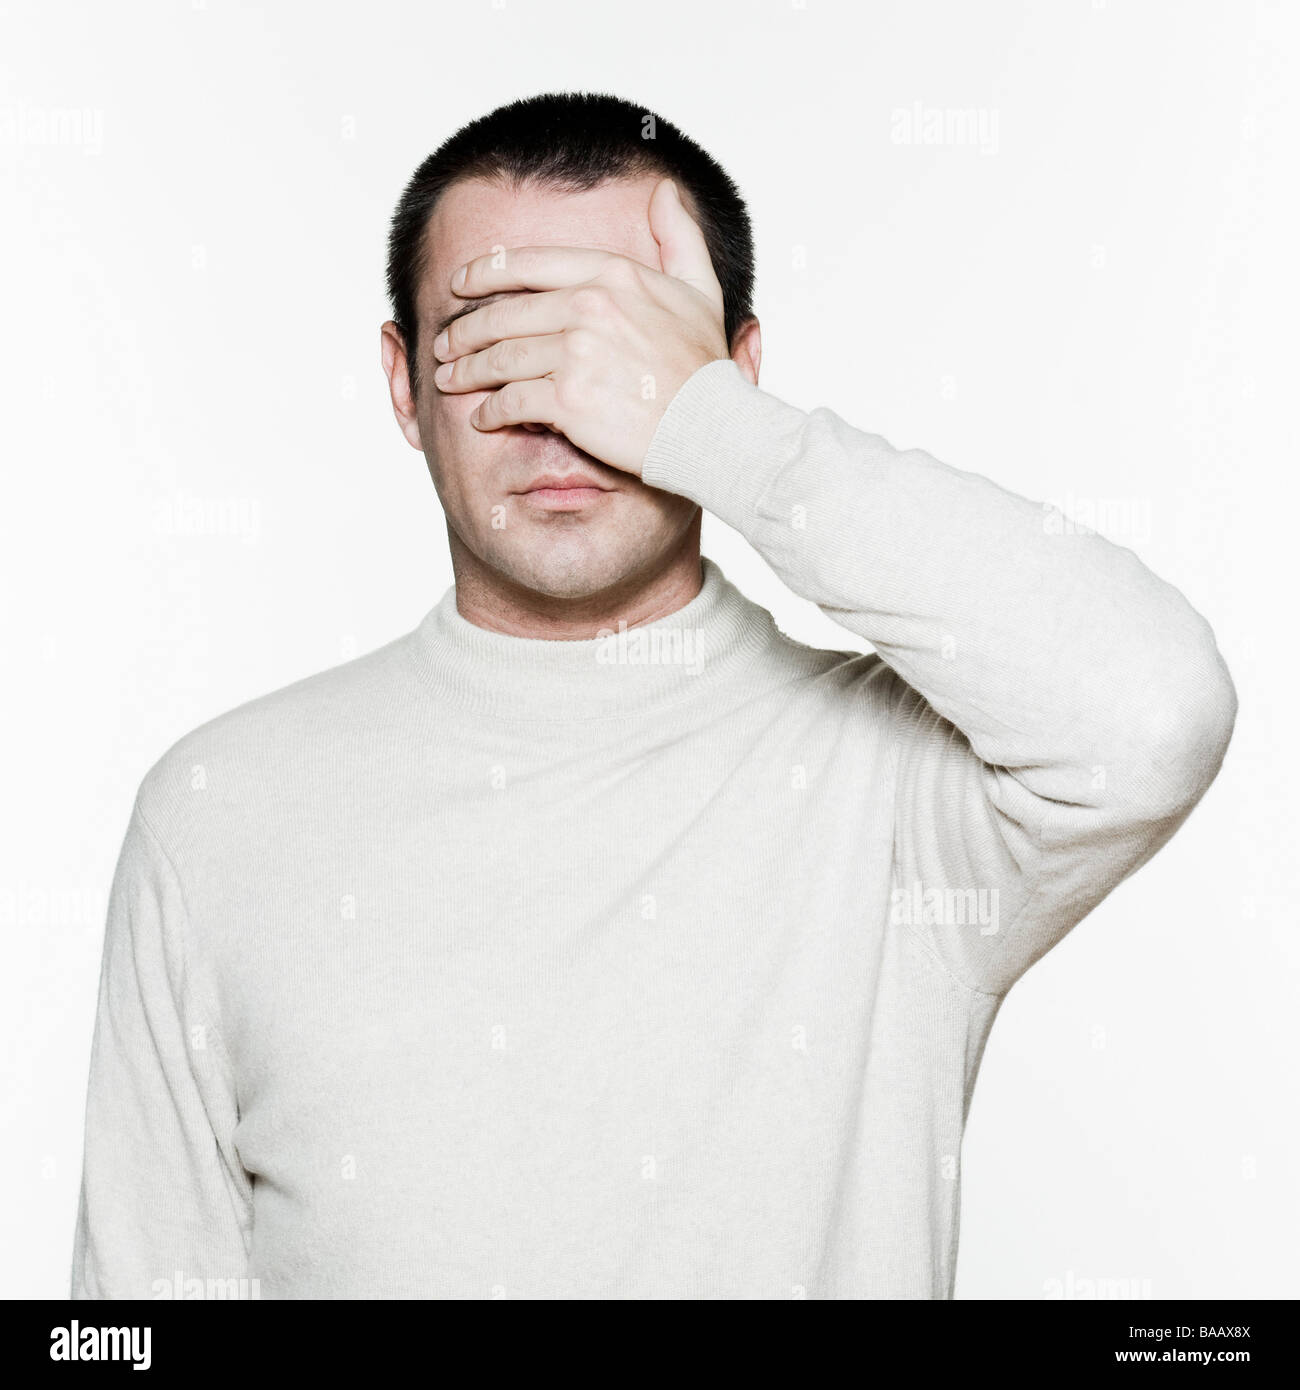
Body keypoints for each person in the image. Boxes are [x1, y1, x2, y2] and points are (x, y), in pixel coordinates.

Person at [72, 91, 1236, 1300]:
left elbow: (1153, 711)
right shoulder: (219, 814)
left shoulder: (887, 791)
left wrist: (711, 430)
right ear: (404, 385)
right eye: (490, 340)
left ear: (730, 375)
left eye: (616, 350)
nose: (554, 408)